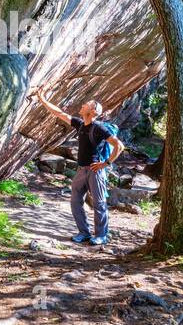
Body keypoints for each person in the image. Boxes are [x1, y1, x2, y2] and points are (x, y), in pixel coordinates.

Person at [30, 89, 124, 245]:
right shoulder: (80, 124)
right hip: (81, 171)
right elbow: (60, 114)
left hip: (95, 171)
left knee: (99, 203)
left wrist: (105, 163)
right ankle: (84, 232)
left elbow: (119, 146)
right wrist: (42, 99)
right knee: (75, 201)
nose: (83, 105)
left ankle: (101, 235)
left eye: (86, 104)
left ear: (93, 111)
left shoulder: (99, 128)